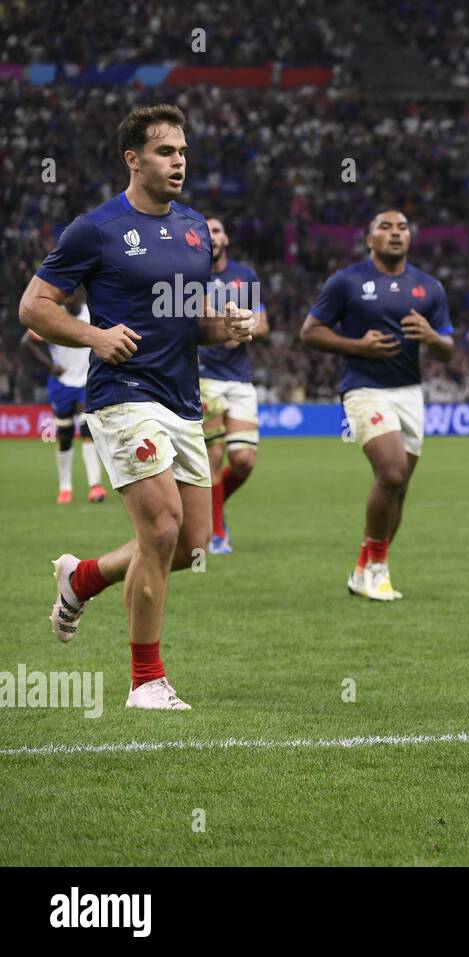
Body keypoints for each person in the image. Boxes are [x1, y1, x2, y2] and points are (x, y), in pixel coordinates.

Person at [18, 103, 254, 709]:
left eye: (182, 151)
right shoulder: (95, 228)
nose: (179, 161)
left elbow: (188, 319)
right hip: (123, 396)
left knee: (189, 545)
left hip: (182, 400)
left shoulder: (197, 228)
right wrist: (95, 336)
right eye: (164, 152)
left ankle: (85, 576)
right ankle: (146, 681)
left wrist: (221, 327)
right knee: (161, 528)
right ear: (133, 159)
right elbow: (34, 306)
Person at [300, 209, 454, 601]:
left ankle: (361, 569)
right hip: (364, 389)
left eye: (402, 227)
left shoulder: (429, 287)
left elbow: (447, 351)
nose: (395, 233)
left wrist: (432, 337)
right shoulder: (346, 282)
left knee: (398, 488)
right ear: (370, 240)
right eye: (385, 227)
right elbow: (310, 332)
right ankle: (379, 571)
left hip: (410, 393)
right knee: (391, 472)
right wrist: (358, 347)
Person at [199, 216, 269, 554]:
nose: (211, 236)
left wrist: (243, 326)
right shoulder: (188, 275)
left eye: (216, 230)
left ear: (226, 238)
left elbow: (264, 325)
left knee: (243, 461)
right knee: (214, 455)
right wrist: (215, 330)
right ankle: (216, 534)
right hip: (203, 376)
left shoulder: (245, 275)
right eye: (205, 232)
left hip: (239, 379)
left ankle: (210, 508)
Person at [20, 286, 106, 504]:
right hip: (62, 385)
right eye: (65, 295)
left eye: (71, 294)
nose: (67, 298)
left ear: (80, 294)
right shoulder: (54, 316)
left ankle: (95, 486)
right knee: (65, 436)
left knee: (89, 431)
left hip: (87, 383)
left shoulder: (92, 314)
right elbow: (26, 343)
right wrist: (50, 366)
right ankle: (65, 488)